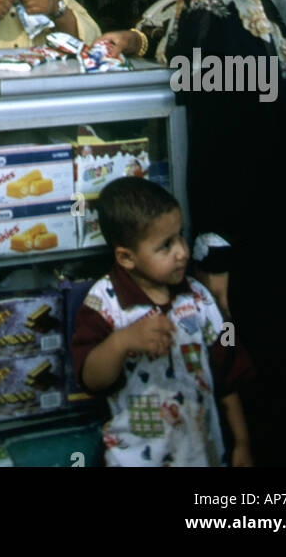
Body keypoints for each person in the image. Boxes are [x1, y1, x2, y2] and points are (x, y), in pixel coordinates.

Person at [100, 0, 286, 466]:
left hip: (242, 232)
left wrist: (214, 259)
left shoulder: (212, 10)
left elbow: (227, 145)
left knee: (250, 359)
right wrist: (134, 37)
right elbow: (178, 47)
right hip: (278, 216)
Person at [71, 177, 253, 467]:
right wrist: (121, 341)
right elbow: (91, 379)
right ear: (127, 258)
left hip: (202, 455)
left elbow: (227, 373)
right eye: (165, 246)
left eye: (180, 236)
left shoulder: (198, 298)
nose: (182, 251)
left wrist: (242, 443)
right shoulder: (103, 304)